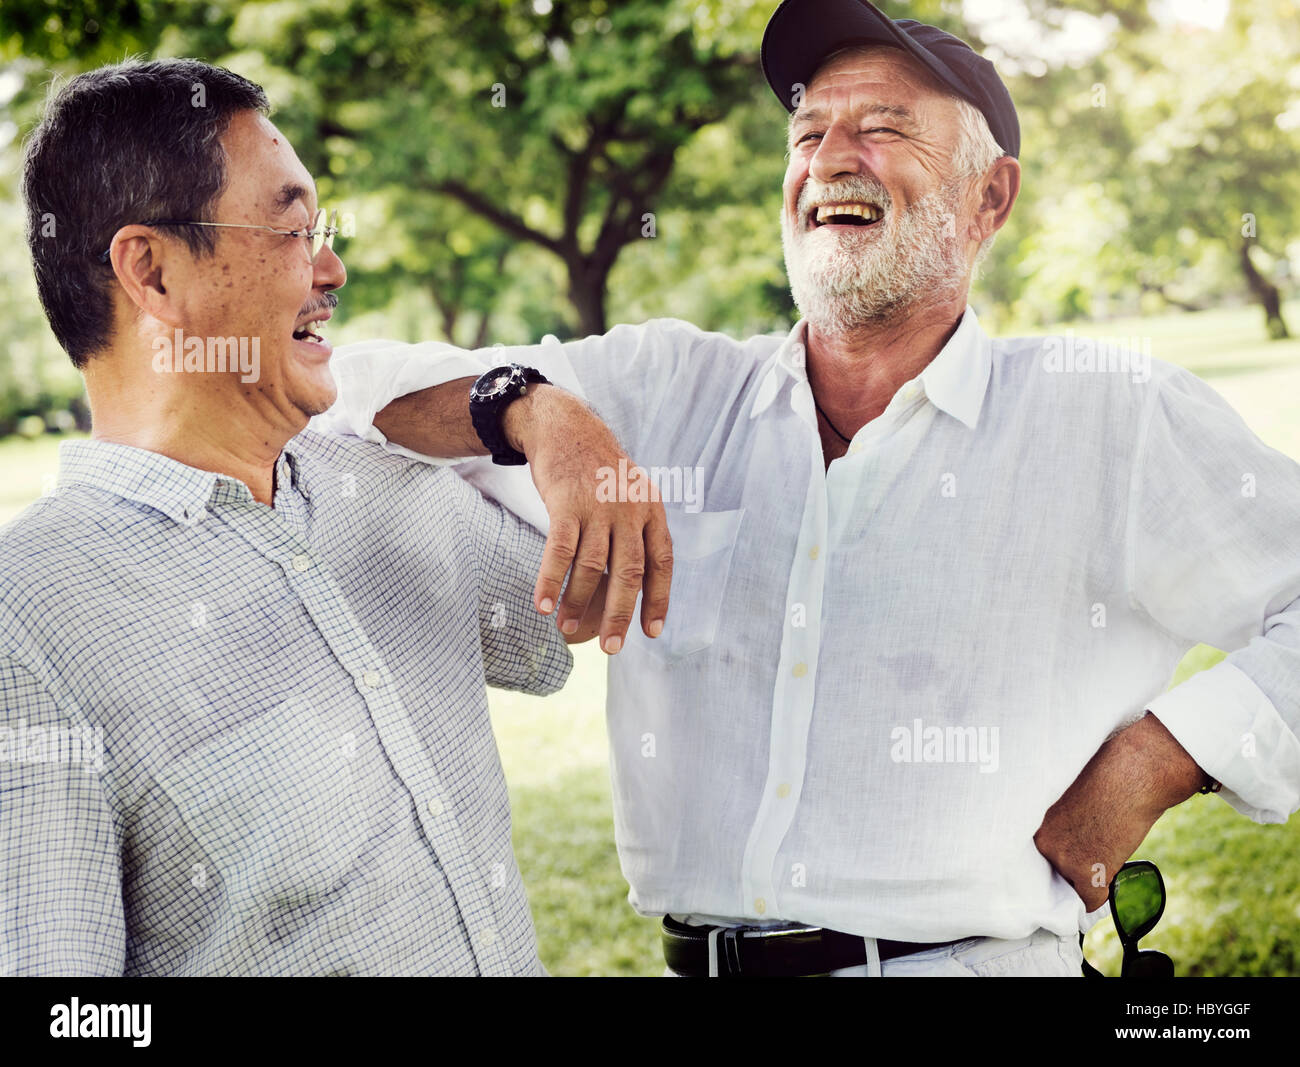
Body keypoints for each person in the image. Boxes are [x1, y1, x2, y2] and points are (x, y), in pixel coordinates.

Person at [319, 0, 1300, 976]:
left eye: (882, 128)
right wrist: (531, 409)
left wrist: (1162, 757)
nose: (830, 158)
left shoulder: (1107, 416)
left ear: (989, 198)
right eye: (806, 133)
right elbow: (334, 394)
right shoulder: (666, 388)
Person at [2, 57, 581, 976]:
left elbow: (591, 596)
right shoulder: (30, 625)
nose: (332, 268)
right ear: (152, 272)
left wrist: (530, 407)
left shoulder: (383, 483)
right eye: (291, 230)